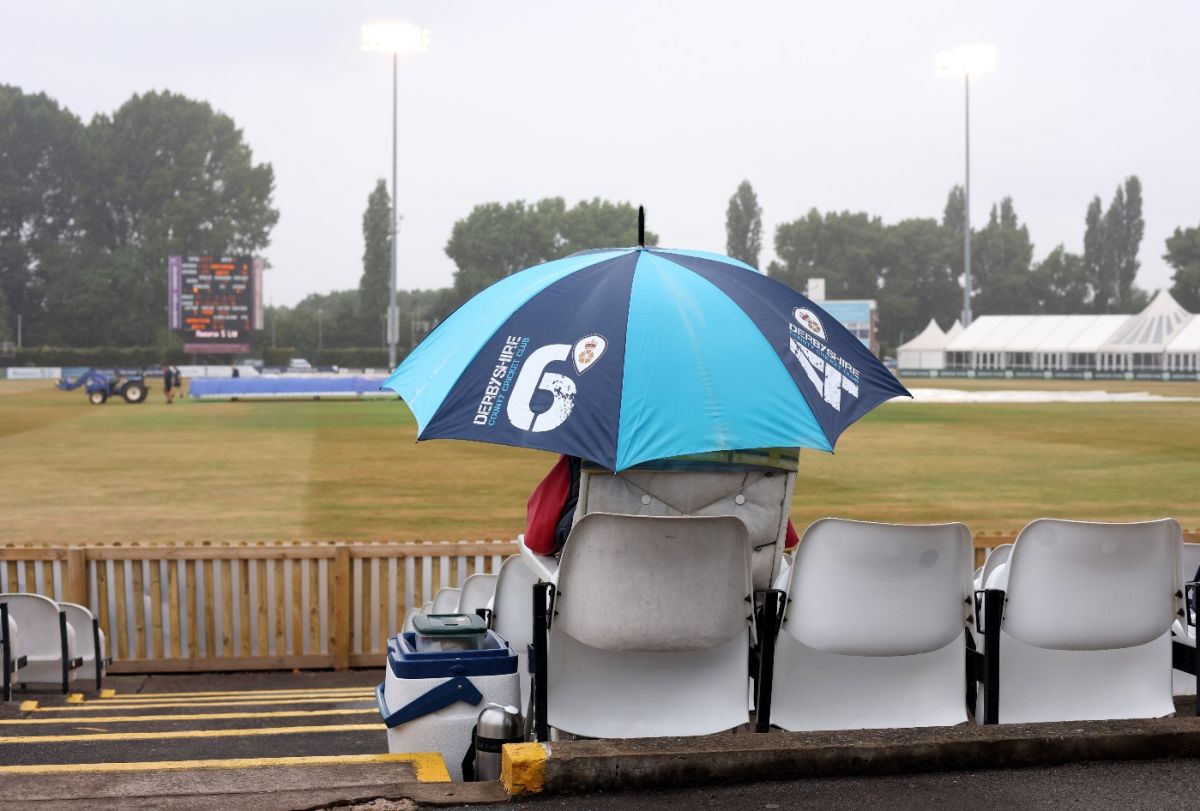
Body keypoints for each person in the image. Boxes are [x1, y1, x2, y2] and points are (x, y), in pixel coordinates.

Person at [523, 453, 800, 556]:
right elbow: (780, 539)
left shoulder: (593, 447)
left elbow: (538, 539)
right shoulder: (757, 452)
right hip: (726, 638)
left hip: (598, 627)